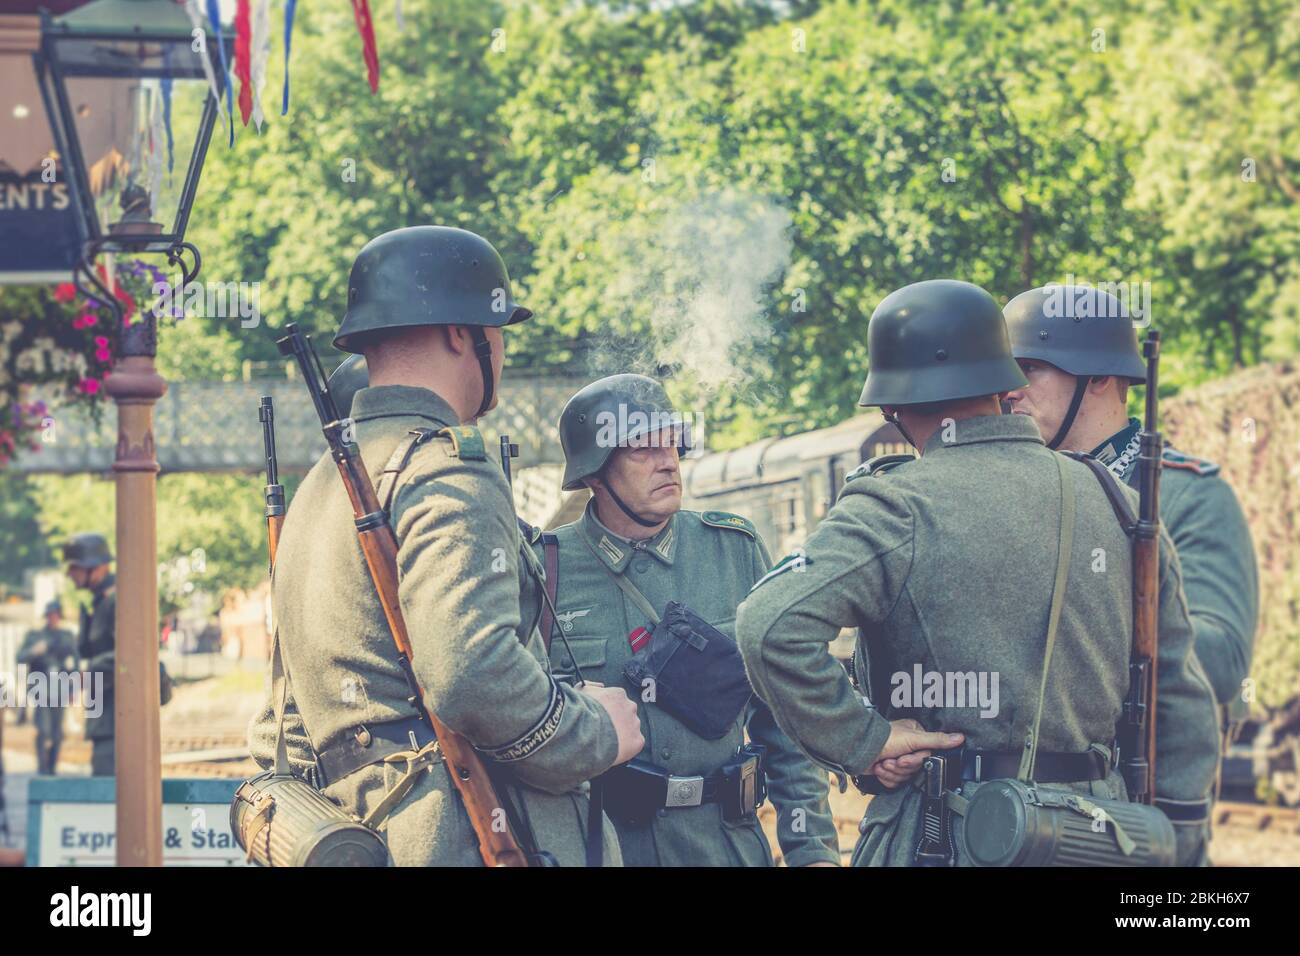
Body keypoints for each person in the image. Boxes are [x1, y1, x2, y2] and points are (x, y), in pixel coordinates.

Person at [735, 279, 1221, 866]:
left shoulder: (895, 504)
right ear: (1006, 386)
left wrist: (864, 741)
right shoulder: (1116, 501)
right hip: (1097, 840)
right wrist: (1177, 844)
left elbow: (768, 625)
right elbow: (1178, 697)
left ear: (892, 406)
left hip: (942, 833)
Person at [247, 225, 643, 866]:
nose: (503, 351)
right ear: (465, 334)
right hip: (465, 835)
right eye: (499, 331)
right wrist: (594, 731)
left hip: (366, 833)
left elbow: (281, 726)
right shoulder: (446, 465)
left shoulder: (319, 488)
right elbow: (470, 672)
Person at [527, 373, 840, 866]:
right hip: (604, 846)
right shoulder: (545, 568)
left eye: (671, 443)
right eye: (642, 449)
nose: (667, 461)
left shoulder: (731, 549)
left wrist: (813, 851)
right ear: (594, 473)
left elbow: (783, 716)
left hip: (724, 845)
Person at [1002, 284, 1259, 727]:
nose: (1010, 391)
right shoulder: (1008, 491)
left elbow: (1221, 661)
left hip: (1127, 781)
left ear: (1098, 376)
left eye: (1030, 368)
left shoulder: (1187, 495)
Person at [63, 533, 117, 777]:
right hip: (107, 719)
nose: (69, 574)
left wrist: (89, 673)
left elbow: (133, 654)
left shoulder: (119, 600)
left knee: (110, 792)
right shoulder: (98, 603)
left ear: (96, 568)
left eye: (74, 567)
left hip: (120, 720)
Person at [16, 601, 77, 774]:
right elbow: (20, 657)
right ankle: (42, 768)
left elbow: (75, 662)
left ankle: (51, 768)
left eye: (57, 614)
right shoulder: (35, 636)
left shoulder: (67, 636)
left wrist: (73, 689)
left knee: (57, 733)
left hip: (60, 688)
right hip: (41, 688)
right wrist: (34, 651)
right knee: (44, 730)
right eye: (51, 614)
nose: (54, 618)